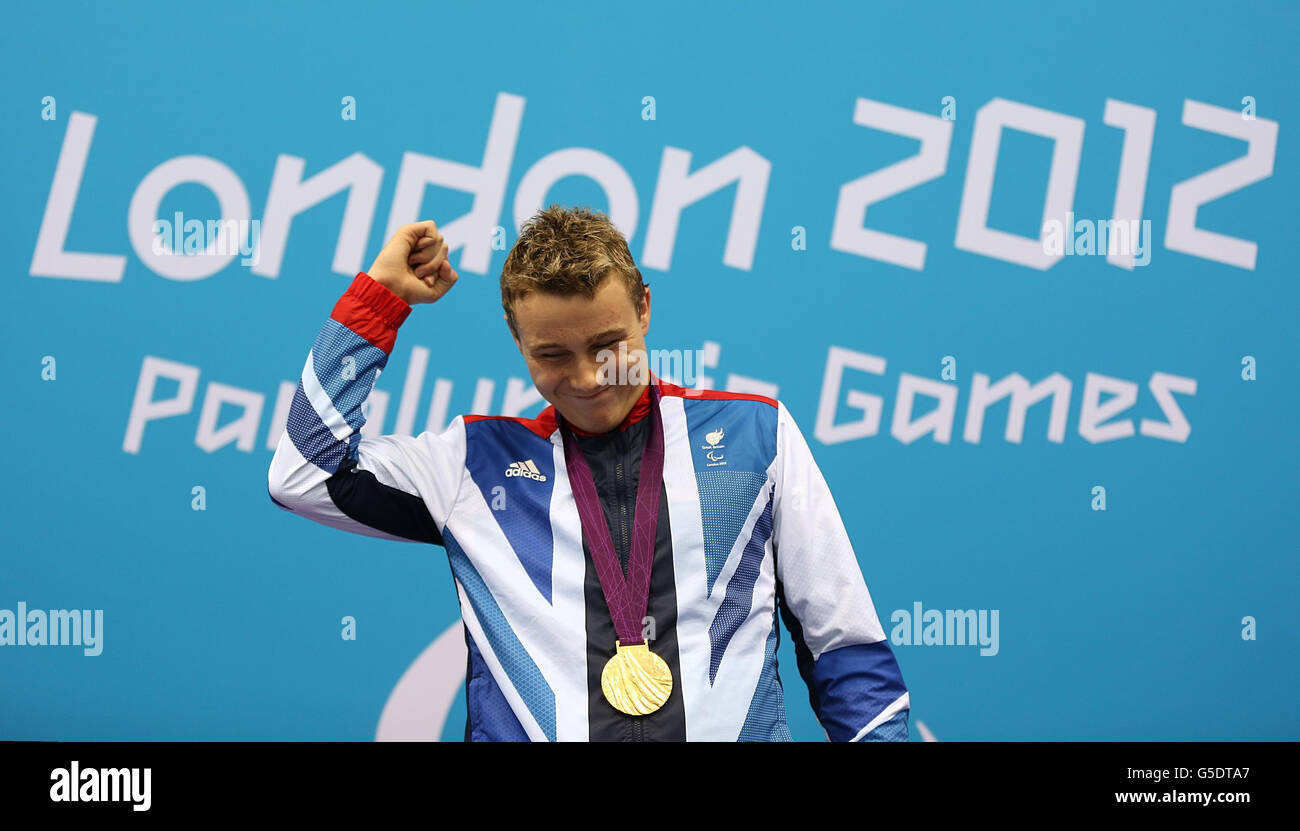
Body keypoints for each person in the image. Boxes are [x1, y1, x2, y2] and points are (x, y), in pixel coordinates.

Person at [267, 205, 909, 742]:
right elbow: (302, 474)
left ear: (645, 309)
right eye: (552, 354)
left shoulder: (753, 438)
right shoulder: (473, 466)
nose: (586, 379)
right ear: (516, 338)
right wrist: (378, 302)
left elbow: (845, 648)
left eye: (608, 346)